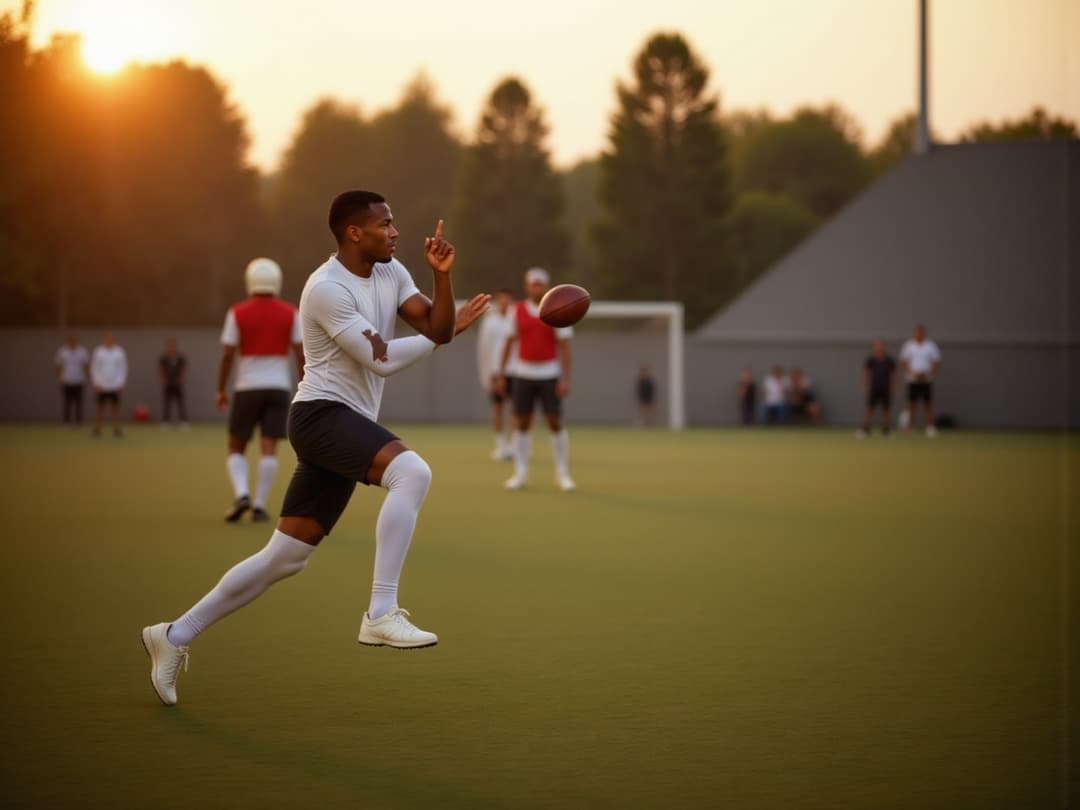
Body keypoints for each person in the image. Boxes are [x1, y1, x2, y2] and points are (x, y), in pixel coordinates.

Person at [142, 190, 490, 706]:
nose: (395, 232)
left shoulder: (393, 273)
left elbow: (438, 327)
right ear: (354, 232)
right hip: (320, 416)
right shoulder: (325, 289)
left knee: (284, 558)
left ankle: (172, 636)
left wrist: (442, 276)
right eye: (385, 224)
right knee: (411, 473)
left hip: (345, 420)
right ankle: (380, 613)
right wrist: (445, 334)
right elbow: (384, 359)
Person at [216, 258, 305, 523]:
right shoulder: (291, 312)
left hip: (247, 388)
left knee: (236, 446)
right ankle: (259, 505)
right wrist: (305, 385)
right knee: (269, 448)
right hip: (278, 388)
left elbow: (228, 355)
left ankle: (242, 493)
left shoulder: (237, 312)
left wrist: (221, 389)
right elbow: (301, 355)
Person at [495, 267, 575, 492]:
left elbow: (565, 348)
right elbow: (509, 343)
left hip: (549, 374)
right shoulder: (516, 311)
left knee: (555, 422)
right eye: (533, 284)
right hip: (523, 374)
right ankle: (520, 473)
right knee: (521, 423)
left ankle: (562, 473)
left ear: (546, 286)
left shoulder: (558, 310)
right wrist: (501, 374)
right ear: (527, 286)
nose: (536, 287)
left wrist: (565, 379)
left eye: (540, 284)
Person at [477, 287, 516, 460]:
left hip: (516, 370)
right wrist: (488, 375)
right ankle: (500, 445)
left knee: (517, 409)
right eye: (502, 299)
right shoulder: (490, 321)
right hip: (495, 370)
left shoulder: (516, 318)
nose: (504, 302)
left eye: (507, 298)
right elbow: (484, 349)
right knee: (498, 408)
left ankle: (514, 446)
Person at [899, 324, 942, 437]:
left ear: (924, 333)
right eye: (917, 332)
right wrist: (913, 373)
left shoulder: (930, 346)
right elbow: (904, 362)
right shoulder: (909, 345)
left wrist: (928, 373)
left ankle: (930, 427)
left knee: (928, 404)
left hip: (926, 380)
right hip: (913, 380)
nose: (919, 334)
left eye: (921, 332)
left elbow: (936, 362)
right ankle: (910, 428)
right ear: (914, 333)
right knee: (911, 405)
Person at [857, 339, 896, 438]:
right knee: (869, 408)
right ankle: (865, 429)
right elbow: (865, 373)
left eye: (881, 345)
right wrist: (864, 385)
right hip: (874, 388)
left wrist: (894, 386)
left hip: (885, 388)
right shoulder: (871, 359)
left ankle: (886, 430)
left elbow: (894, 374)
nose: (879, 348)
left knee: (886, 409)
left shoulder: (889, 360)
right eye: (877, 346)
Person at [91, 332, 127, 437]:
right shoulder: (98, 351)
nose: (109, 341)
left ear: (113, 340)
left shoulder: (119, 352)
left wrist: (121, 383)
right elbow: (94, 368)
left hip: (115, 385)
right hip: (102, 385)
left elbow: (123, 368)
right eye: (107, 339)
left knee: (115, 408)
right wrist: (96, 383)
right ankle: (97, 429)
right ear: (104, 340)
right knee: (100, 408)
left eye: (111, 339)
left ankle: (116, 429)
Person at [55, 335, 89, 425]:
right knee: (67, 401)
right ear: (68, 342)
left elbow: (86, 366)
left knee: (79, 402)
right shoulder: (62, 351)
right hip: (66, 380)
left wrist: (86, 377)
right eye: (70, 341)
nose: (72, 343)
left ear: (76, 342)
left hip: (79, 380)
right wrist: (59, 377)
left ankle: (79, 421)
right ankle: (67, 421)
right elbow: (58, 365)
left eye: (74, 341)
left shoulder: (82, 351)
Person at [159, 338, 189, 429]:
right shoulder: (163, 359)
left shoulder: (180, 358)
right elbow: (161, 370)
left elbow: (184, 370)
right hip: (168, 383)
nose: (171, 349)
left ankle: (183, 421)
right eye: (170, 347)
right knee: (167, 403)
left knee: (180, 403)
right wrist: (162, 380)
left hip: (177, 383)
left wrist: (182, 379)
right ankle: (166, 421)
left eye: (173, 347)